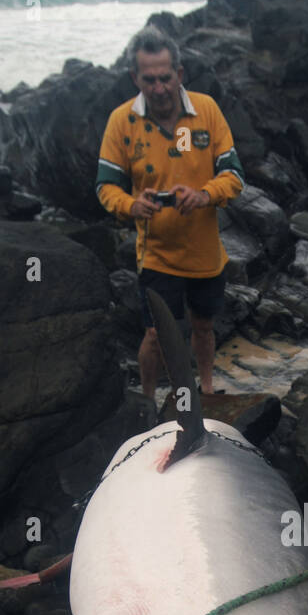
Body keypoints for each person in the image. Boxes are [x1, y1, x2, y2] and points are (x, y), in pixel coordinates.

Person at [95, 26, 245, 397]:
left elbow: (235, 175)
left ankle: (206, 391)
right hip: (157, 254)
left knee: (204, 327)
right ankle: (147, 401)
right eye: (149, 80)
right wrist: (131, 205)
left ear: (179, 74)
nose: (159, 88)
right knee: (155, 333)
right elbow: (104, 187)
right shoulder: (122, 122)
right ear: (135, 78)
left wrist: (204, 195)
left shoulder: (206, 110)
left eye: (165, 78)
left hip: (205, 253)